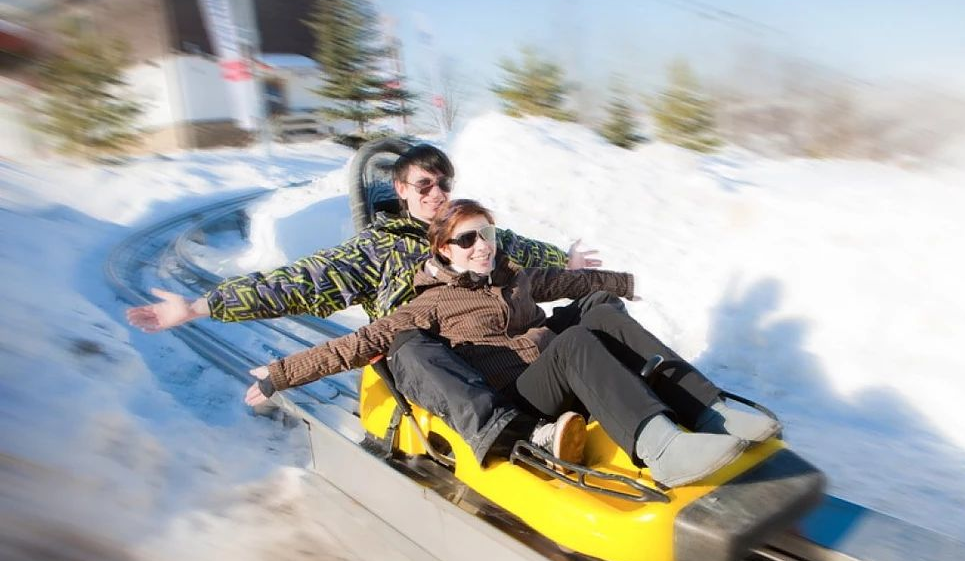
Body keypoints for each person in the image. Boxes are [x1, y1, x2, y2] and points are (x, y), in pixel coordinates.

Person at [245, 200, 780, 488]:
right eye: (467, 239)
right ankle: (661, 449)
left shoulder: (512, 274)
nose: (483, 247)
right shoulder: (427, 304)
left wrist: (624, 283)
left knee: (595, 311)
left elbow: (568, 284)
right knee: (572, 344)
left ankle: (708, 410)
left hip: (552, 368)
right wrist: (278, 376)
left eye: (489, 234)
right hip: (516, 395)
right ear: (444, 251)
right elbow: (355, 345)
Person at [127, 143, 600, 464]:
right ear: (401, 190)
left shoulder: (467, 231)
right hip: (434, 367)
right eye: (424, 186)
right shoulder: (377, 251)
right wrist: (200, 306)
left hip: (495, 349)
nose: (437, 194)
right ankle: (506, 435)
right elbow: (296, 282)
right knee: (417, 346)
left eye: (443, 185)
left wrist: (568, 261)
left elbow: (528, 254)